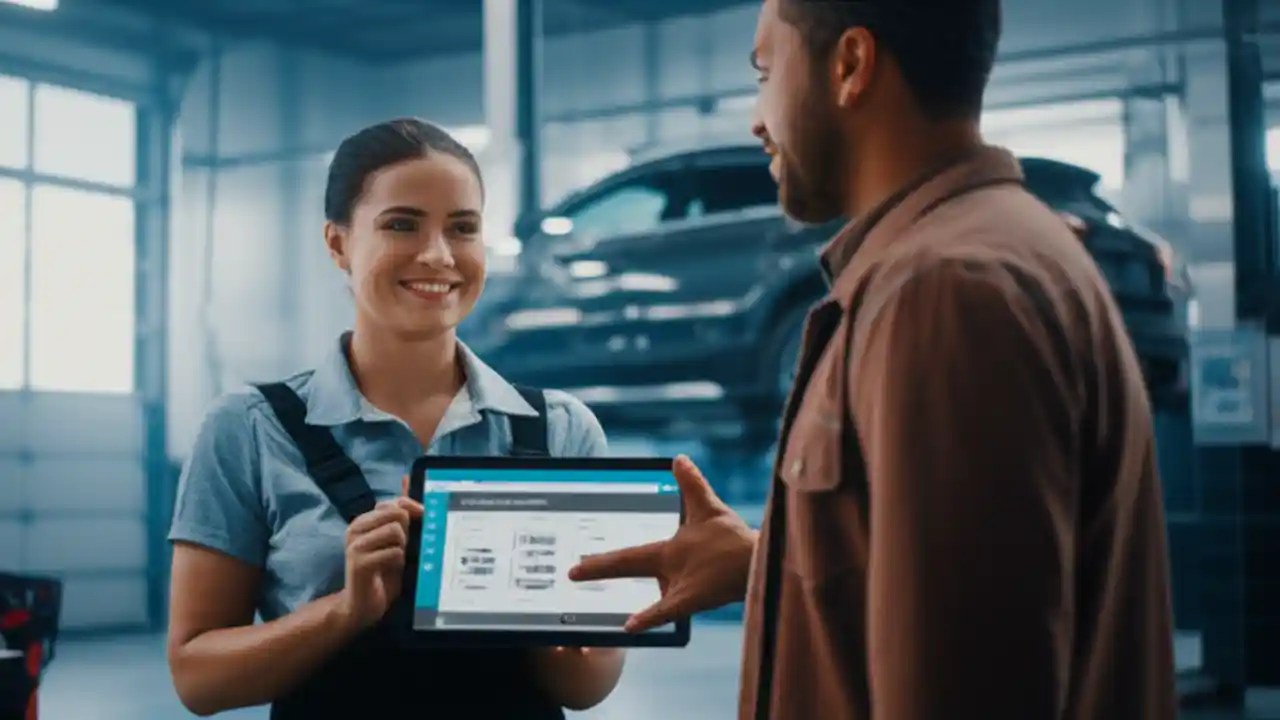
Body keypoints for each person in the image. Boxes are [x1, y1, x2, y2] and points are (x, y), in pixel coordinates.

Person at [570, 1, 1179, 718]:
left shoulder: (945, 292)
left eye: (766, 74)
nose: (756, 120)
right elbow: (964, 591)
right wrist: (770, 566)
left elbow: (964, 690)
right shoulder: (988, 255)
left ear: (850, 66)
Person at [166, 118, 625, 718]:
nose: (438, 255)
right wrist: (344, 611)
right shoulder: (250, 429)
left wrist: (512, 583)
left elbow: (587, 686)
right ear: (337, 244)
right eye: (401, 224)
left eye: (463, 228)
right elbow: (199, 680)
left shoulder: (561, 431)